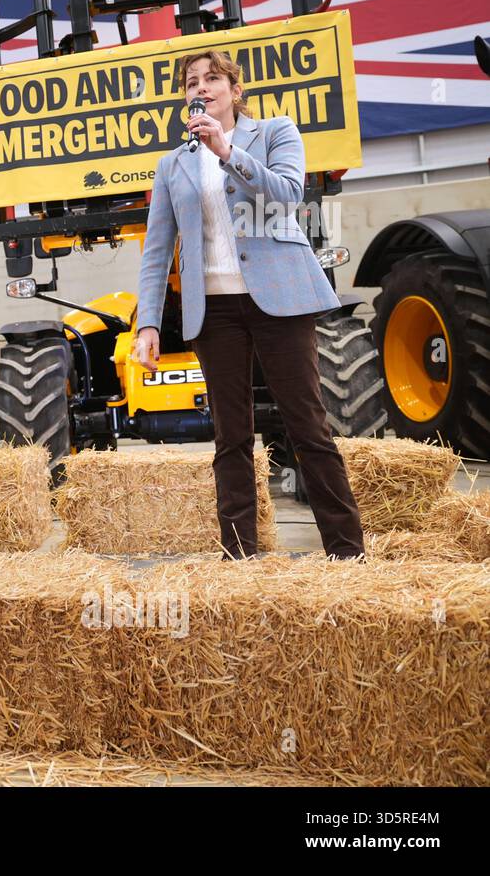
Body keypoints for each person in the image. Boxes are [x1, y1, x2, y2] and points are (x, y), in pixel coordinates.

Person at [133, 50, 365, 560]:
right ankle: (239, 556)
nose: (202, 86)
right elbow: (156, 249)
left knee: (306, 423)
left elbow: (287, 195)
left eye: (213, 78)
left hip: (279, 299)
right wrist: (147, 322)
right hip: (212, 311)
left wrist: (226, 150)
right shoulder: (173, 164)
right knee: (230, 435)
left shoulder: (276, 132)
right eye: (192, 81)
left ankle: (348, 554)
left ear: (235, 91)